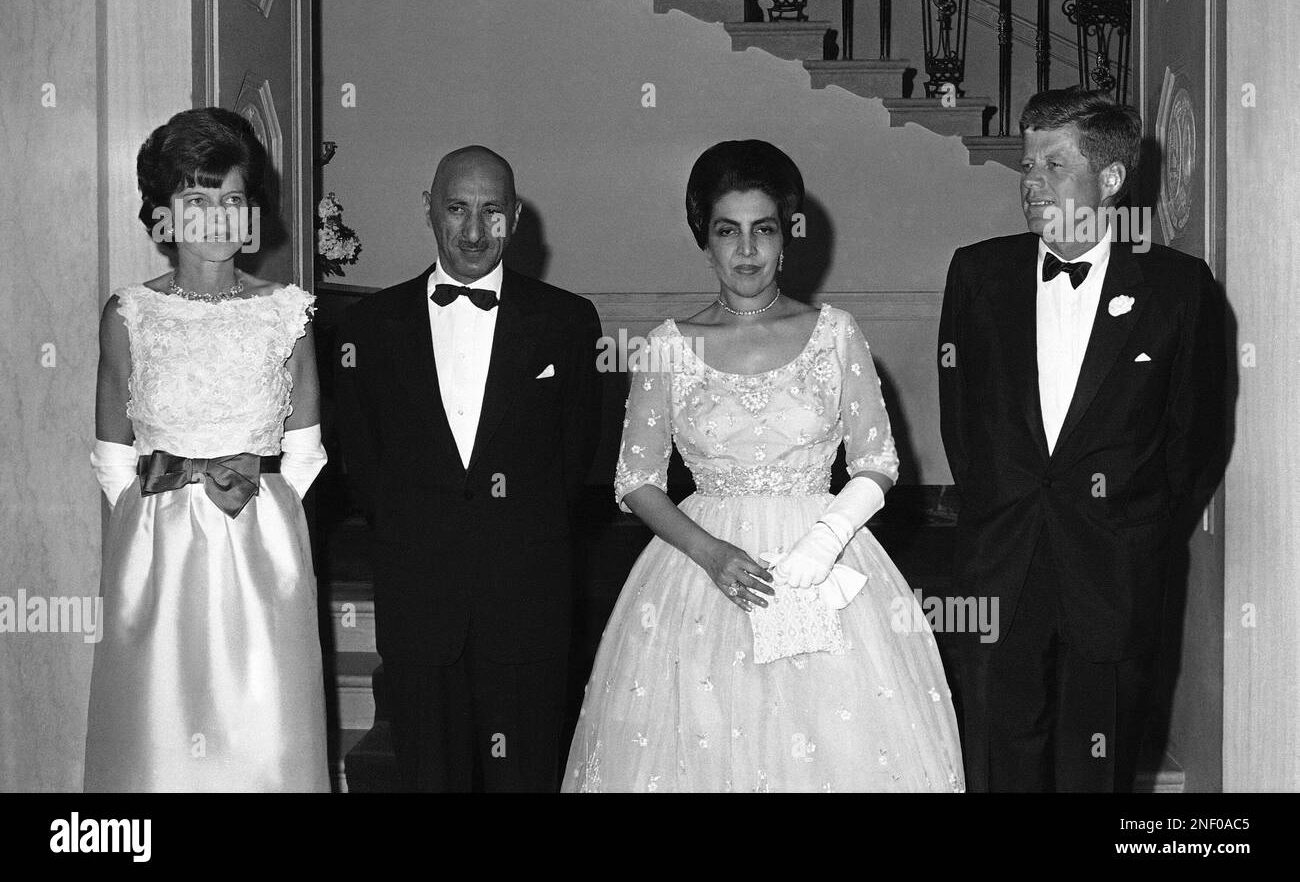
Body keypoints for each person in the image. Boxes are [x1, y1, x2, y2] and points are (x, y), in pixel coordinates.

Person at [564, 140, 964, 792]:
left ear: (787, 237)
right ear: (705, 239)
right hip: (698, 572)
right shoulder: (668, 347)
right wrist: (712, 554)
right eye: (728, 231)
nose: (746, 251)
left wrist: (823, 542)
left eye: (764, 230)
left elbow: (878, 460)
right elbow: (634, 479)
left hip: (825, 563)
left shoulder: (836, 334)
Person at [938, 87, 1226, 792]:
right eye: (1027, 164)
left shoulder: (1177, 288)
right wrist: (994, 507)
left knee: (1099, 756)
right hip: (1003, 557)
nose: (1030, 183)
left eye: (1052, 165)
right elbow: (961, 418)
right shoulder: (978, 274)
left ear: (1111, 180)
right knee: (1003, 751)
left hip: (1115, 563)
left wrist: (1138, 531)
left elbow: (1196, 439)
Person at [334, 146, 603, 792]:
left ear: (515, 217)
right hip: (419, 608)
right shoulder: (370, 327)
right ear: (428, 209)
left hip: (526, 604)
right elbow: (365, 469)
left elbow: (576, 460)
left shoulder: (566, 322)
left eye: (491, 212)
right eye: (457, 209)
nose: (475, 232)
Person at [85, 107, 330, 791]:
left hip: (258, 543)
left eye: (232, 199)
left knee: (260, 739)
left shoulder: (288, 310)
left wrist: (264, 525)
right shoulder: (130, 313)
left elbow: (305, 453)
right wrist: (150, 533)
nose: (216, 218)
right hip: (157, 548)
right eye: (196, 199)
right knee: (156, 739)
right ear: (162, 212)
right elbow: (111, 458)